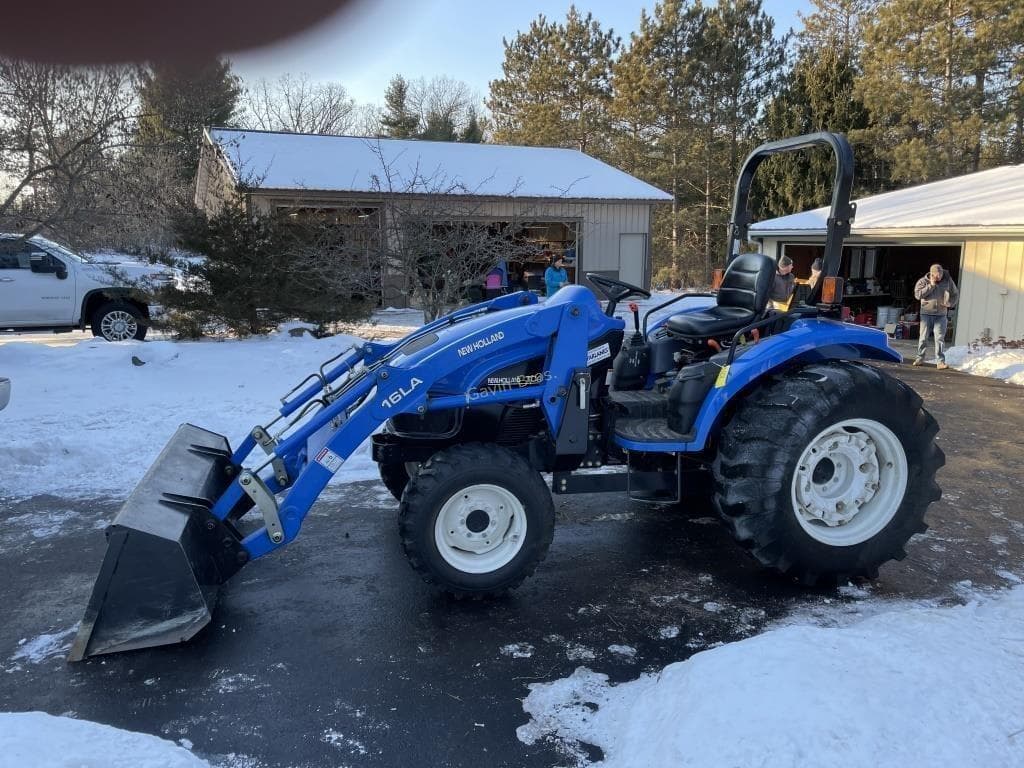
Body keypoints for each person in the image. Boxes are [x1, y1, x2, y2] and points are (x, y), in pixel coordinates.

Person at [913, 263, 959, 369]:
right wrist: (931, 286)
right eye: (937, 275)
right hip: (926, 314)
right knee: (923, 338)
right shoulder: (923, 281)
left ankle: (940, 362)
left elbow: (955, 294)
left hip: (941, 315)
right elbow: (918, 295)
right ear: (932, 274)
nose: (940, 277)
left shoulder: (948, 281)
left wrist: (950, 303)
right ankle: (919, 358)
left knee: (939, 339)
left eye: (941, 274)